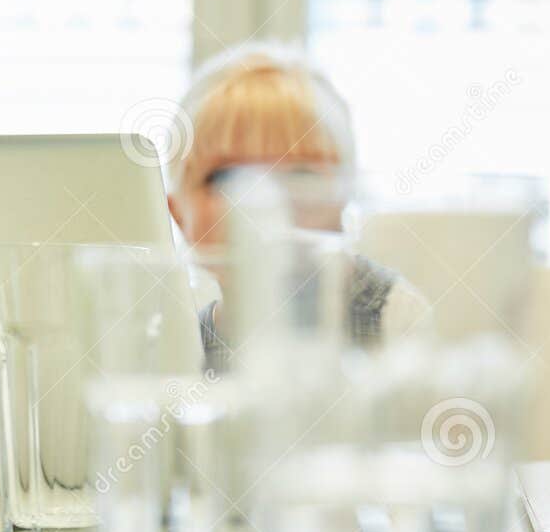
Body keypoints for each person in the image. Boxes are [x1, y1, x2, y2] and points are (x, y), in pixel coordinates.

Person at [166, 43, 431, 355]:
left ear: (343, 200)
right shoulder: (183, 347)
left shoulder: (395, 317)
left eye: (301, 176)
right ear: (179, 216)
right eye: (227, 179)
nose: (264, 205)